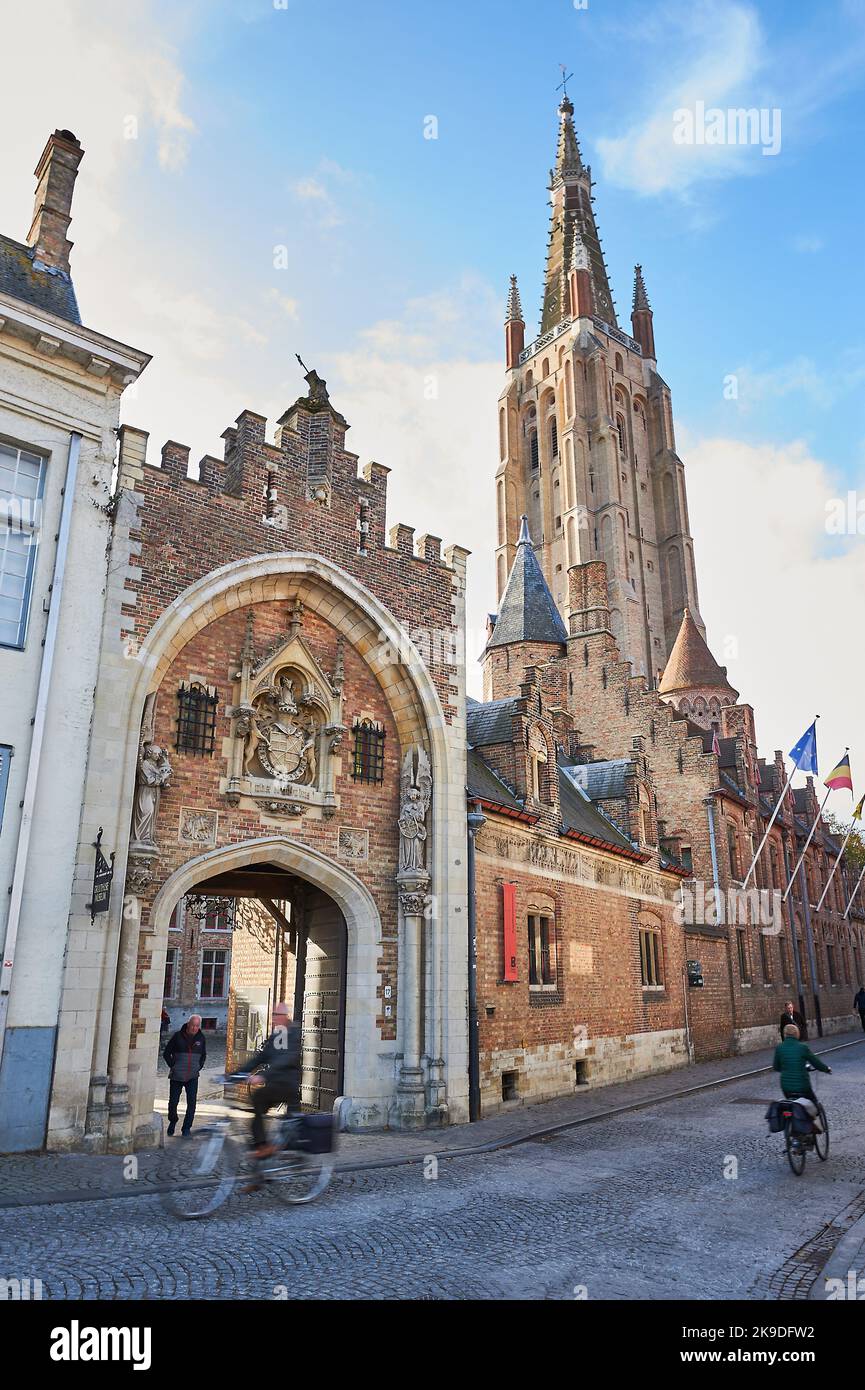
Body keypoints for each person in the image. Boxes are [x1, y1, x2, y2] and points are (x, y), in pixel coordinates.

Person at [228, 1002, 300, 1159]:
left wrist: (263, 1076)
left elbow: (286, 1059)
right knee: (256, 1110)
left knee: (258, 1097)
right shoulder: (276, 1034)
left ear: (285, 1016)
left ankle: (263, 1147)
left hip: (287, 1084)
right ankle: (262, 1151)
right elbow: (260, 1058)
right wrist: (233, 1075)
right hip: (274, 1083)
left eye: (276, 1015)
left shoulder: (293, 1033)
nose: (273, 1018)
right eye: (273, 1015)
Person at [163, 1014, 207, 1137]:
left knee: (192, 1103)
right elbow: (166, 1053)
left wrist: (198, 1066)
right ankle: (173, 1120)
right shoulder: (177, 1036)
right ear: (188, 1024)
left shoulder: (201, 1038)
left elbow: (203, 1055)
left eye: (197, 1026)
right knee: (173, 1102)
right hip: (177, 1075)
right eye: (193, 1025)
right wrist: (173, 1066)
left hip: (192, 1076)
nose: (194, 1028)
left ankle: (186, 1128)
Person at [773, 1023, 831, 1116]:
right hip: (803, 1087)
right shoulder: (802, 1047)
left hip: (786, 1087)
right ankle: (813, 1126)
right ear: (797, 1034)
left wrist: (786, 1068)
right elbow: (815, 1062)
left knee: (790, 1106)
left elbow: (776, 1067)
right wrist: (826, 1069)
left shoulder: (779, 1048)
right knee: (814, 1106)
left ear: (785, 1034)